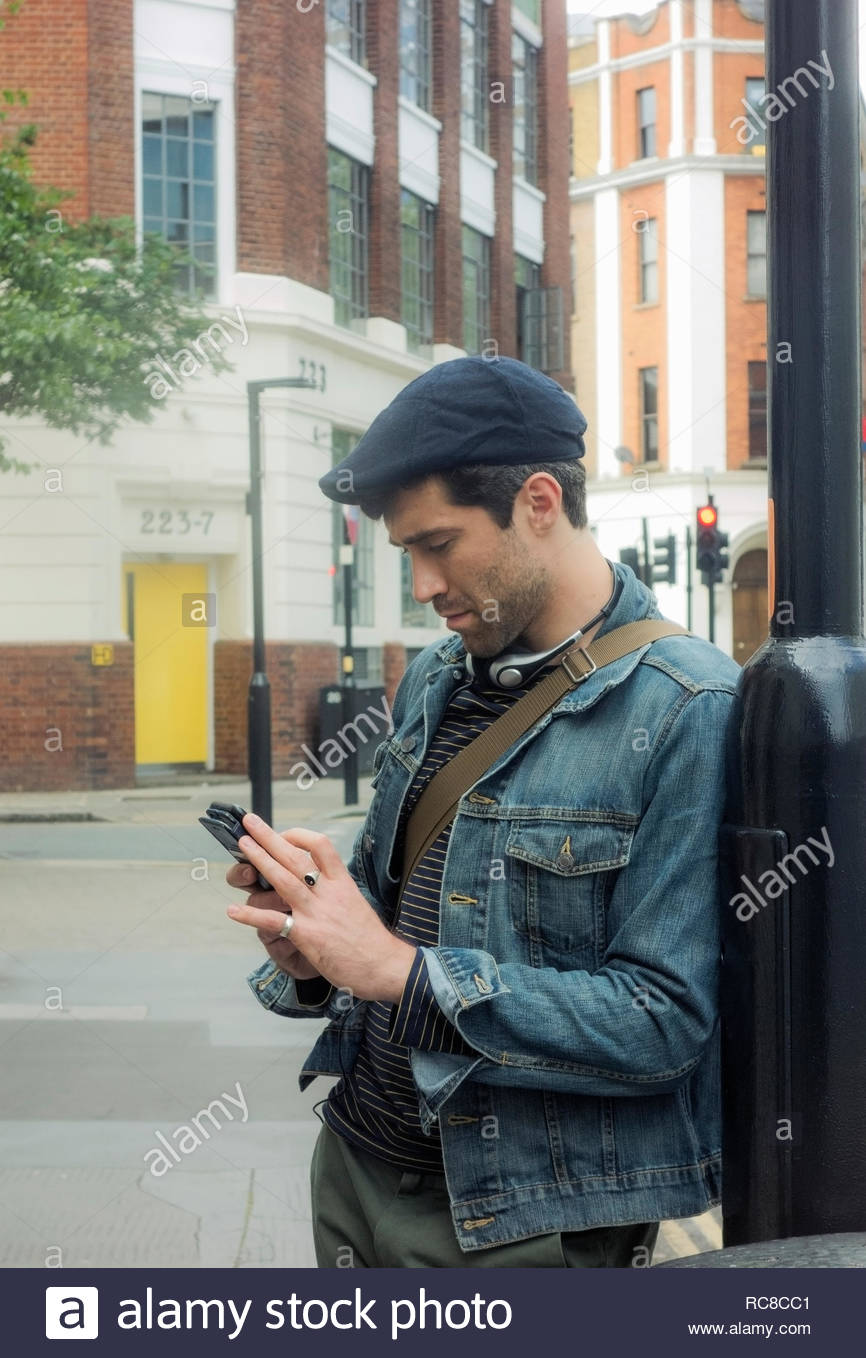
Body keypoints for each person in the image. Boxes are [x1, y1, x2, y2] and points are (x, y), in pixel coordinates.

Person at [225, 356, 740, 1268]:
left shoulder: (687, 708)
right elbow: (391, 914)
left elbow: (662, 1024)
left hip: (515, 1222)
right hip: (354, 1168)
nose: (423, 585)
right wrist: (315, 948)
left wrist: (397, 971)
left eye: (438, 544)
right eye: (407, 555)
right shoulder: (437, 675)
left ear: (538, 502)